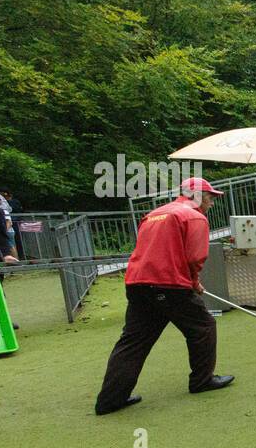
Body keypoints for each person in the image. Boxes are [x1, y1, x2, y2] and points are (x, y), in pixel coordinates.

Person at [94, 177, 234, 415]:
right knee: (203, 327)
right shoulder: (194, 216)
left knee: (133, 341)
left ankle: (110, 400)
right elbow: (195, 257)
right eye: (210, 197)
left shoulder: (155, 214)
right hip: (168, 284)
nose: (211, 203)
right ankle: (202, 381)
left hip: (137, 283)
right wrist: (194, 282)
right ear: (197, 195)